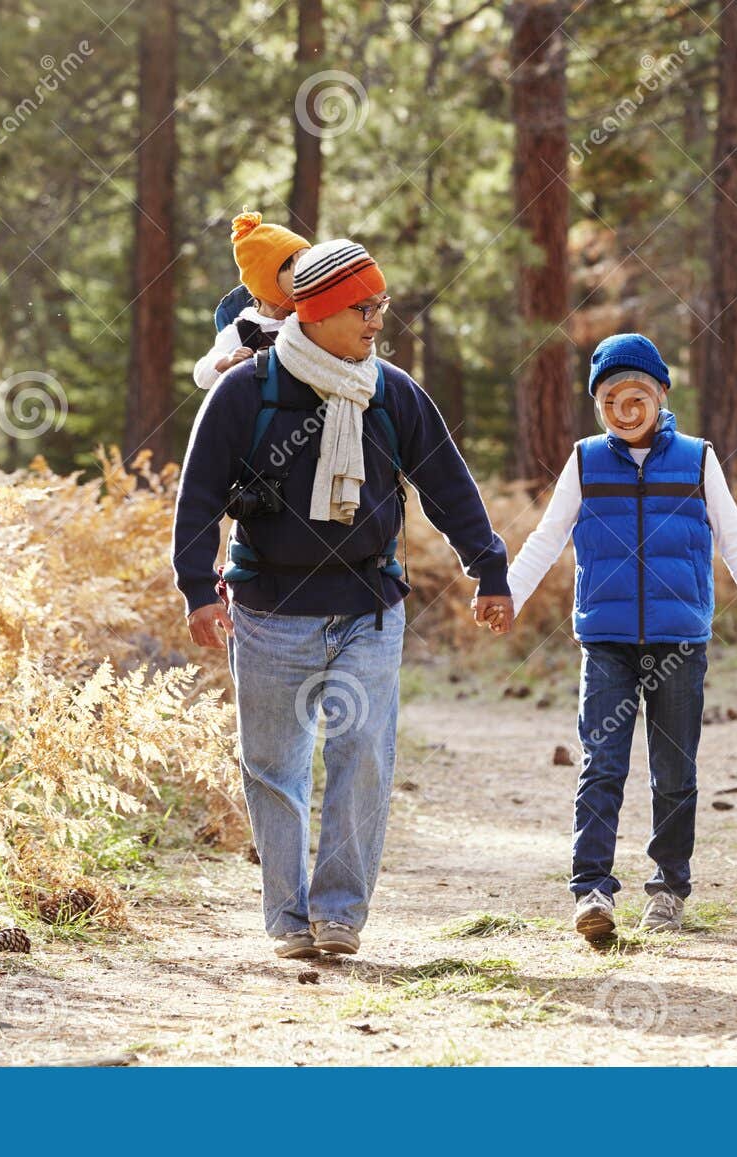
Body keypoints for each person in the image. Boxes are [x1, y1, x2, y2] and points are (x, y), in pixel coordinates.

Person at [173, 238, 514, 959]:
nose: (376, 321)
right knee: (275, 767)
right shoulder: (247, 390)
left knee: (362, 753)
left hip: (369, 606)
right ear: (320, 310)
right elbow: (199, 493)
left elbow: (448, 486)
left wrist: (490, 568)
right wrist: (198, 589)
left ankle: (339, 912)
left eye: (381, 305)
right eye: (364, 307)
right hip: (265, 611)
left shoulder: (391, 391)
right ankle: (287, 919)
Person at [502, 333, 737, 941]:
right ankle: (592, 891)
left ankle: (668, 889)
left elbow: (735, 540)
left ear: (661, 393)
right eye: (609, 400)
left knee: (674, 771)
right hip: (606, 640)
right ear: (597, 405)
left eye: (636, 396)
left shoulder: (697, 458)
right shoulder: (584, 461)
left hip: (679, 640)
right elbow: (547, 538)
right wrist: (507, 594)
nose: (624, 410)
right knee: (601, 763)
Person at [192, 212, 308, 391]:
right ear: (267, 280)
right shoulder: (243, 331)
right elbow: (202, 375)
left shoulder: (310, 321)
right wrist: (227, 362)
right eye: (301, 269)